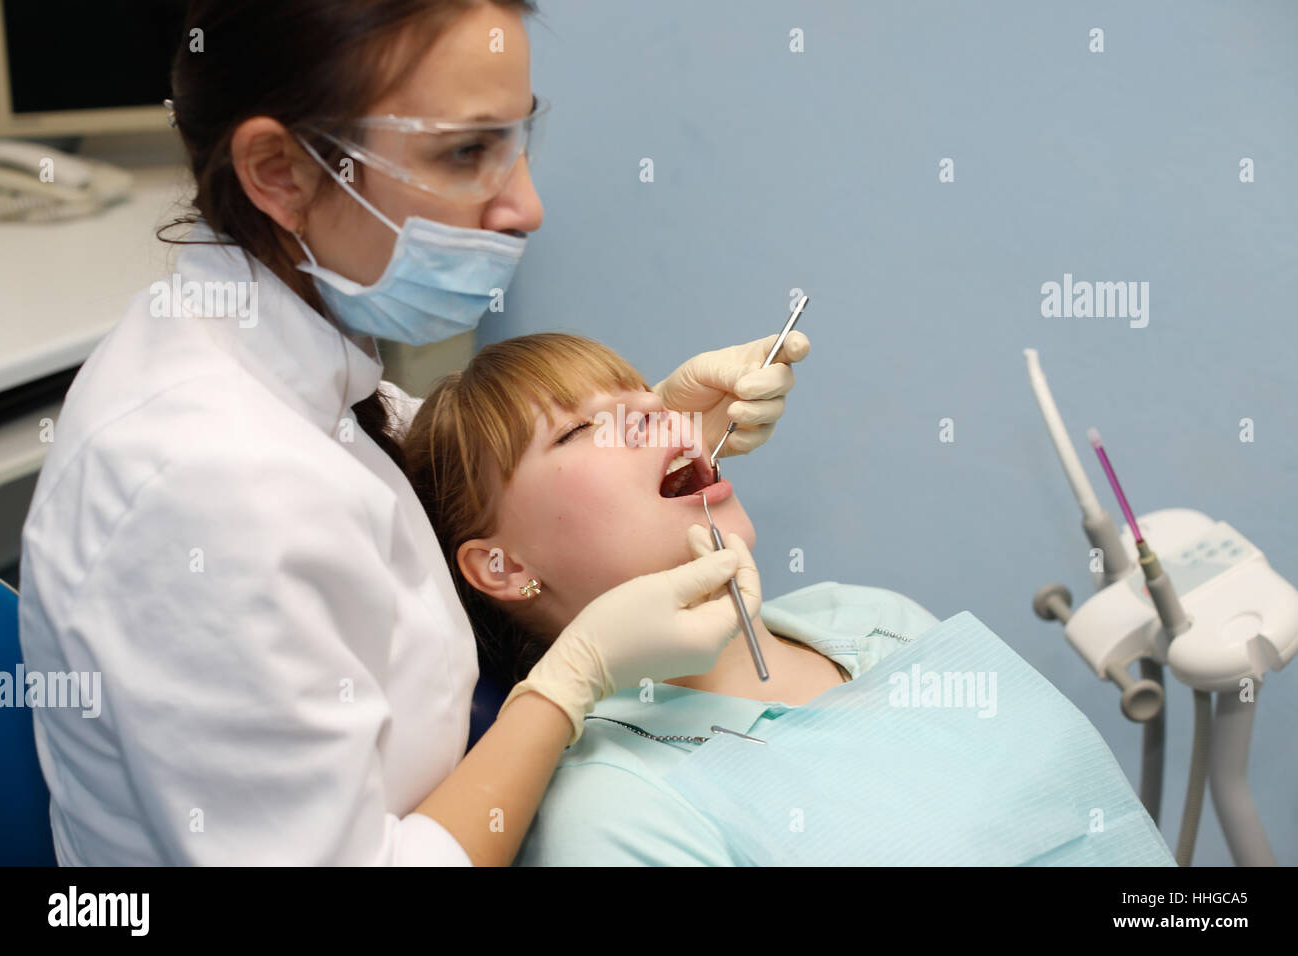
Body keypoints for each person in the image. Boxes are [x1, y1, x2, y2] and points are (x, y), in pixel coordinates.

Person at [16, 0, 808, 866]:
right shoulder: (203, 487)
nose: (526, 206)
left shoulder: (291, 347)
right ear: (280, 171)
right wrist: (567, 681)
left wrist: (643, 422)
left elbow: (406, 455)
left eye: (516, 141)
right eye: (466, 152)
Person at [401, 333, 1180, 867]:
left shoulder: (869, 617)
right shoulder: (615, 809)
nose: (651, 413)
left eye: (641, 396)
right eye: (578, 430)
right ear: (501, 566)